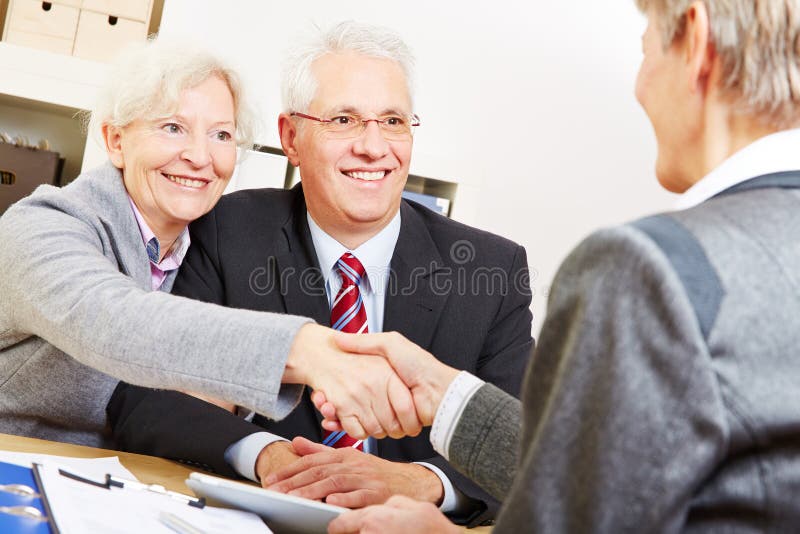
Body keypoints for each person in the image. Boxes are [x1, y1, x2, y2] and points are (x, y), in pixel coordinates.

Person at [321, 0, 800, 532]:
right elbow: (627, 474)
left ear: (695, 41)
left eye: (645, 54)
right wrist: (449, 395)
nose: (640, 89)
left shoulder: (647, 268)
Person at [106, 21, 534, 527]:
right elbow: (146, 399)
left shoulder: (492, 269)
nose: (375, 147)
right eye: (345, 120)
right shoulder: (225, 229)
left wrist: (418, 482)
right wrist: (269, 457)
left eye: (393, 121)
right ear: (291, 137)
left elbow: (529, 447)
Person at [0, 38, 419, 450]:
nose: (200, 157)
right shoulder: (41, 227)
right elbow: (117, 323)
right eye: (172, 128)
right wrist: (308, 351)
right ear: (115, 140)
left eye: (221, 135)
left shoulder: (203, 249)